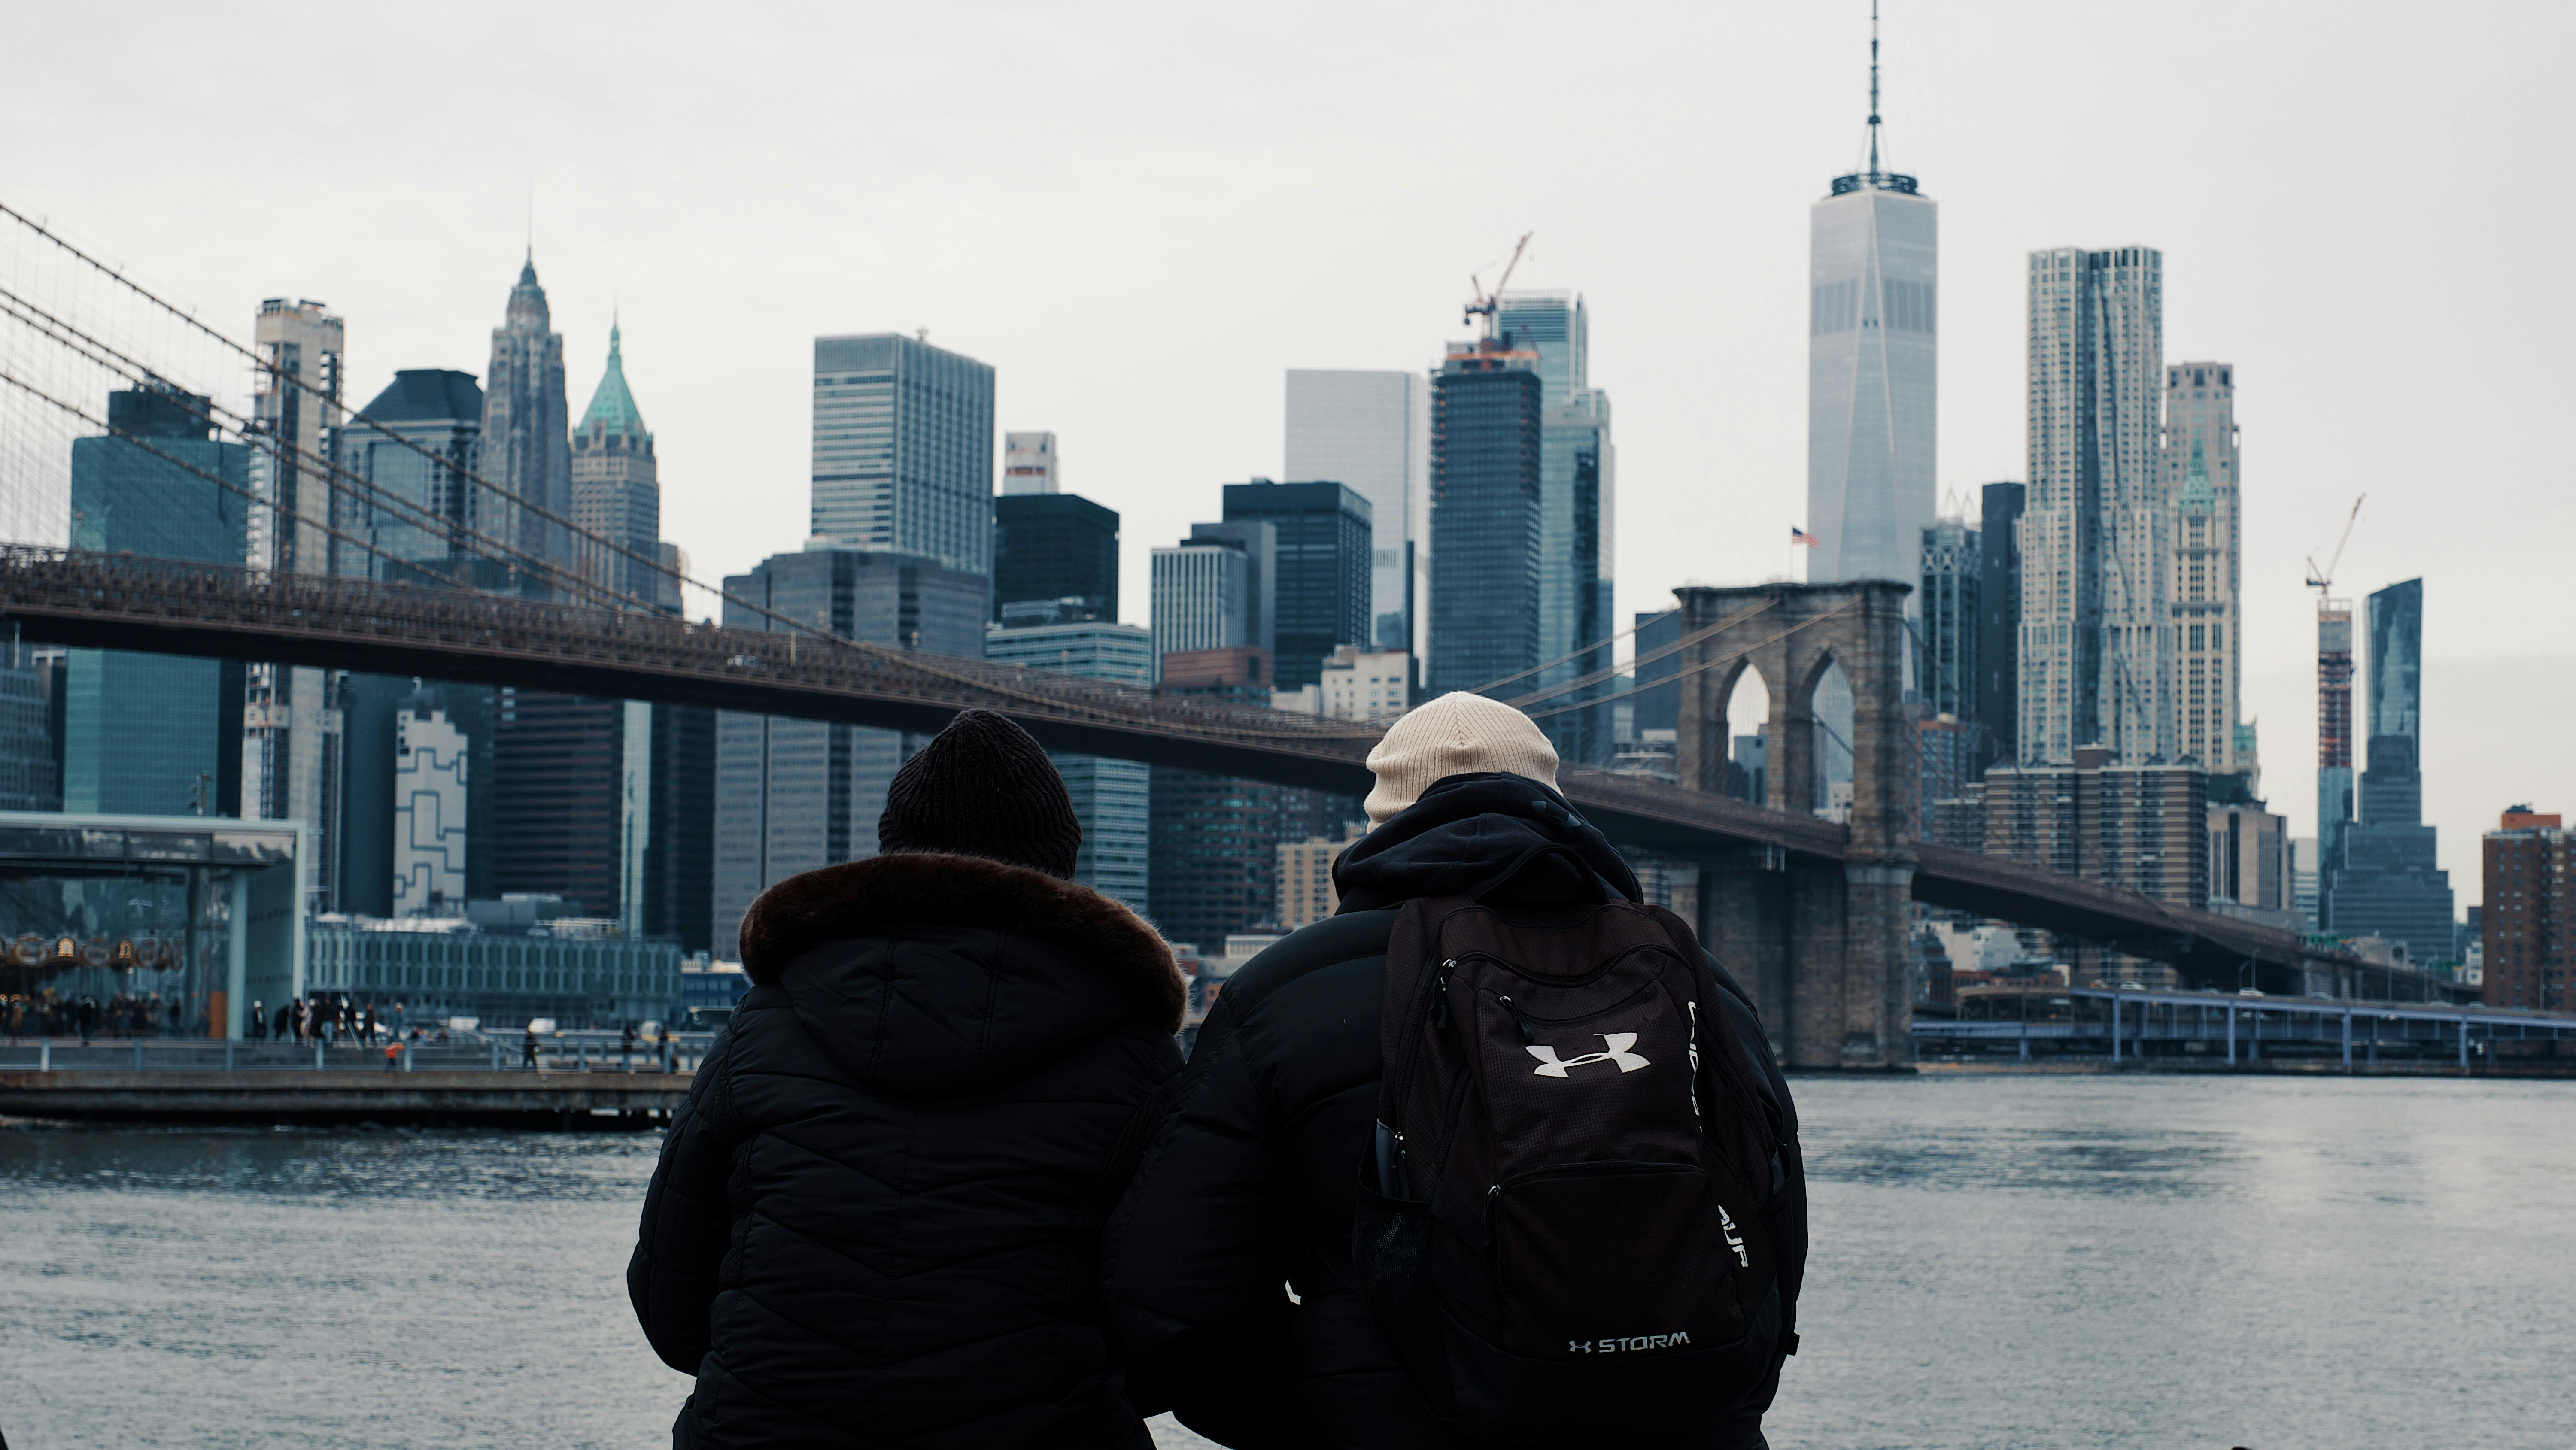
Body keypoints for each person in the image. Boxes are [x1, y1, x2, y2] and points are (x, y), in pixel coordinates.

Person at [1104, 693, 1808, 1450]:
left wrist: (1329, 1408)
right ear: (1558, 807)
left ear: (1382, 821)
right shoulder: (1700, 982)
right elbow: (1779, 1240)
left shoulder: (1283, 992)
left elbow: (1176, 1306)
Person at [630, 708, 1185, 1447]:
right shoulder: (1137, 1059)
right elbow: (1180, 1321)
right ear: (1061, 869)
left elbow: (670, 1306)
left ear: (892, 855)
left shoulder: (760, 1028)